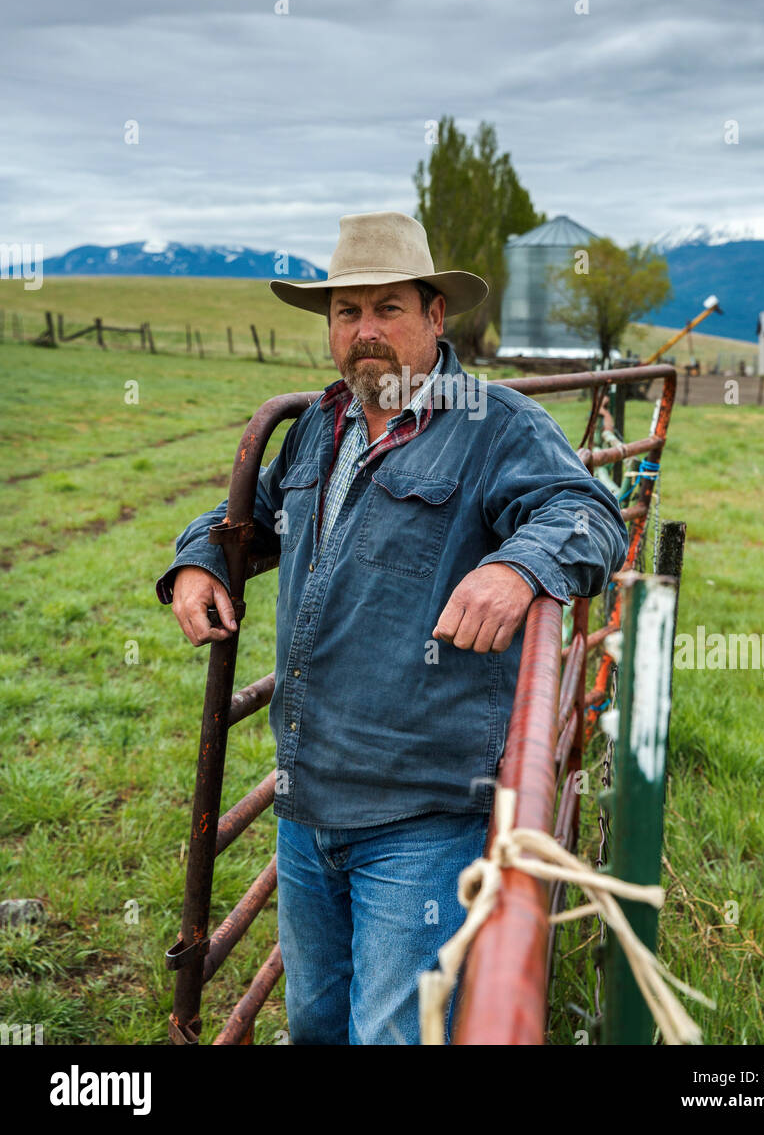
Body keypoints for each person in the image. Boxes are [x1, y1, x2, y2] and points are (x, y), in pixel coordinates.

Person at [156, 210, 628, 1045]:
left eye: (388, 309)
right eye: (347, 313)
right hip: (306, 804)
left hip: (420, 817)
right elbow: (250, 514)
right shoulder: (317, 429)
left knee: (391, 1035)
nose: (365, 331)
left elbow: (590, 513)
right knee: (314, 1025)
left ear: (435, 316)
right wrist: (198, 556)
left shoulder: (497, 426)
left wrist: (516, 566)